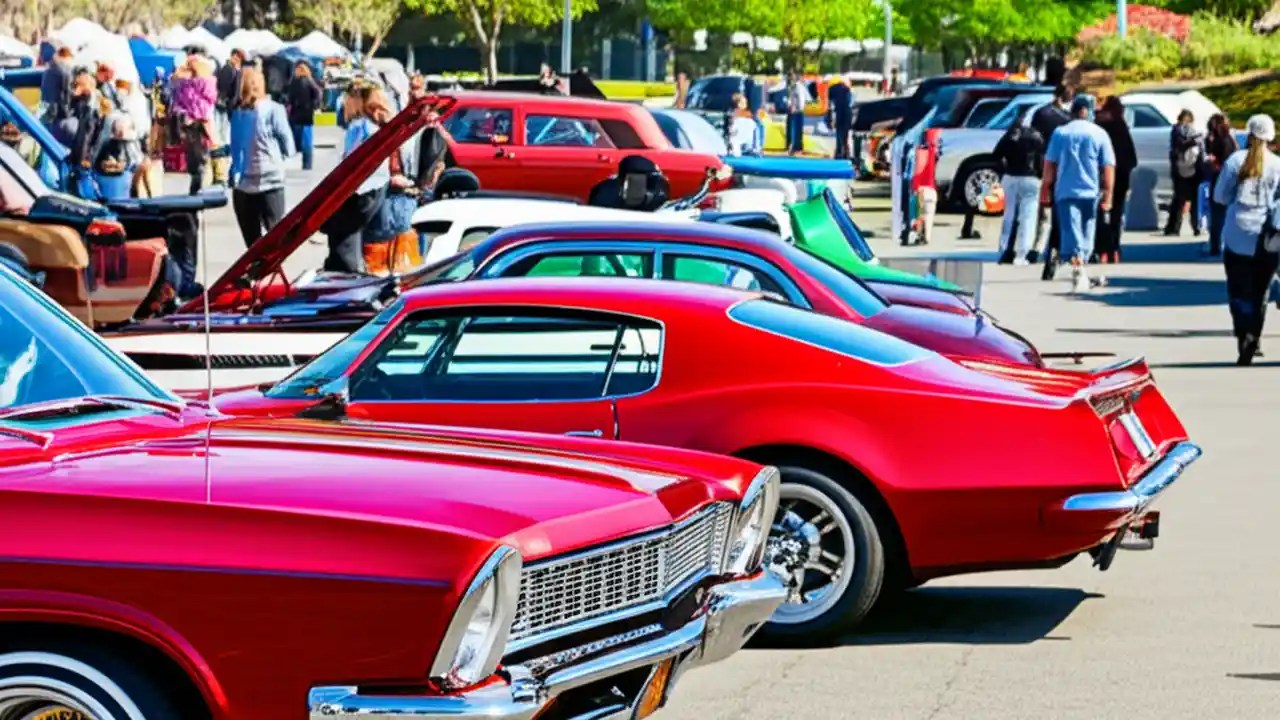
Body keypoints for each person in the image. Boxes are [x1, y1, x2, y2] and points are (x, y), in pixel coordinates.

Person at [1213, 114, 1280, 365]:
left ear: (1249, 135)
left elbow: (1220, 196)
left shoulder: (1235, 161)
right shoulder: (1277, 164)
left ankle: (1243, 336)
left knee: (1239, 291)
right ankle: (1254, 336)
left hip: (1237, 233)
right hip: (1267, 237)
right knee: (1260, 292)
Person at [1042, 94, 1115, 293]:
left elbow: (1050, 164)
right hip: (1090, 191)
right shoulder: (1099, 134)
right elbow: (1108, 167)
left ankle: (1077, 265)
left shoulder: (1060, 133)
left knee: (1070, 229)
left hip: (1065, 190)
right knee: (1087, 229)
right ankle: (1081, 263)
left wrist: (1045, 190)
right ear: (1090, 111)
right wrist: (1108, 194)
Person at [322, 85, 392, 273]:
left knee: (342, 237)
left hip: (360, 191)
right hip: (376, 189)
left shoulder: (359, 126)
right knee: (350, 236)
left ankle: (344, 275)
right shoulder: (377, 126)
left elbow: (350, 161)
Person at [229, 68, 294, 247]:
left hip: (243, 183)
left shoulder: (237, 113)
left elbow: (235, 146)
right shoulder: (275, 110)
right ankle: (272, 272)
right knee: (276, 240)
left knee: (252, 244)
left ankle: (256, 272)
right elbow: (289, 146)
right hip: (271, 180)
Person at [1033, 83, 1075, 277]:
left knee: (1041, 210)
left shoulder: (1041, 113)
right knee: (1055, 214)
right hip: (1060, 167)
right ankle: (1051, 250)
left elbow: (1034, 138)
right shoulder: (1065, 120)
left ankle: (1038, 247)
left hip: (1041, 165)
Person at [993, 108, 1045, 265]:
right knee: (1028, 217)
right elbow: (1042, 158)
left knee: (1008, 215)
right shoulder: (1036, 136)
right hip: (1031, 178)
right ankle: (1022, 254)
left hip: (1010, 176)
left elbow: (996, 155)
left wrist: (1004, 169)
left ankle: (1004, 250)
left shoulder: (1010, 135)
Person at [1094, 96, 1137, 263]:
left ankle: (1102, 249)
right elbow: (1132, 158)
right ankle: (1114, 248)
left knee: (1101, 212)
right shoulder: (1121, 127)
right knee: (1116, 214)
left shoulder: (1099, 127)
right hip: (1121, 177)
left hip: (1101, 176)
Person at [170, 51, 218, 194]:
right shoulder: (207, 82)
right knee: (201, 155)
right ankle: (199, 183)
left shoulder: (182, 83)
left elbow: (177, 102)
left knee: (194, 155)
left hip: (191, 123)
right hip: (201, 122)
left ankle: (196, 181)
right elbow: (210, 101)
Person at [1165, 109, 1205, 236]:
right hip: (1194, 170)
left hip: (1178, 170)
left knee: (1178, 200)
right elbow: (1202, 152)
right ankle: (1196, 227)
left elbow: (1175, 150)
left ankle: (1173, 228)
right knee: (1195, 200)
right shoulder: (1197, 134)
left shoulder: (1175, 131)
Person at [1205, 113, 1239, 257]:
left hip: (1217, 178)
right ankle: (1226, 244)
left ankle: (1215, 245)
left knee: (1217, 215)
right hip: (1229, 179)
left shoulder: (1214, 139)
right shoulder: (1228, 139)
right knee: (1227, 214)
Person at [93, 116, 144, 201]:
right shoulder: (108, 143)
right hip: (108, 182)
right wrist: (106, 164)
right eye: (118, 131)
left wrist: (126, 166)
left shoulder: (132, 143)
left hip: (127, 180)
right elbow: (99, 163)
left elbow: (137, 161)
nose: (121, 135)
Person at [285, 61, 322, 171]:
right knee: (307, 140)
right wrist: (315, 105)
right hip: (307, 113)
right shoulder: (310, 81)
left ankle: (298, 154)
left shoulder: (294, 82)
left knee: (298, 136)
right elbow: (318, 93)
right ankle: (307, 163)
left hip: (296, 113)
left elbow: (289, 97)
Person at [40, 44, 75, 139]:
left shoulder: (48, 69)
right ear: (66, 57)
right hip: (57, 114)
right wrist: (68, 114)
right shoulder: (65, 71)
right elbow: (66, 95)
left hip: (45, 109)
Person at [827, 75, 854, 160]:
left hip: (838, 112)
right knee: (845, 133)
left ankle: (839, 151)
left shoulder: (831, 88)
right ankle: (845, 152)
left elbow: (830, 102)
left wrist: (830, 118)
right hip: (847, 112)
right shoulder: (847, 89)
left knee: (839, 131)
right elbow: (850, 101)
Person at [785, 71, 810, 157]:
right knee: (795, 130)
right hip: (796, 111)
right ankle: (794, 148)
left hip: (798, 111)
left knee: (796, 130)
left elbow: (802, 98)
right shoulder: (794, 86)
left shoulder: (797, 86)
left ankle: (796, 148)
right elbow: (795, 98)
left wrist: (796, 107)